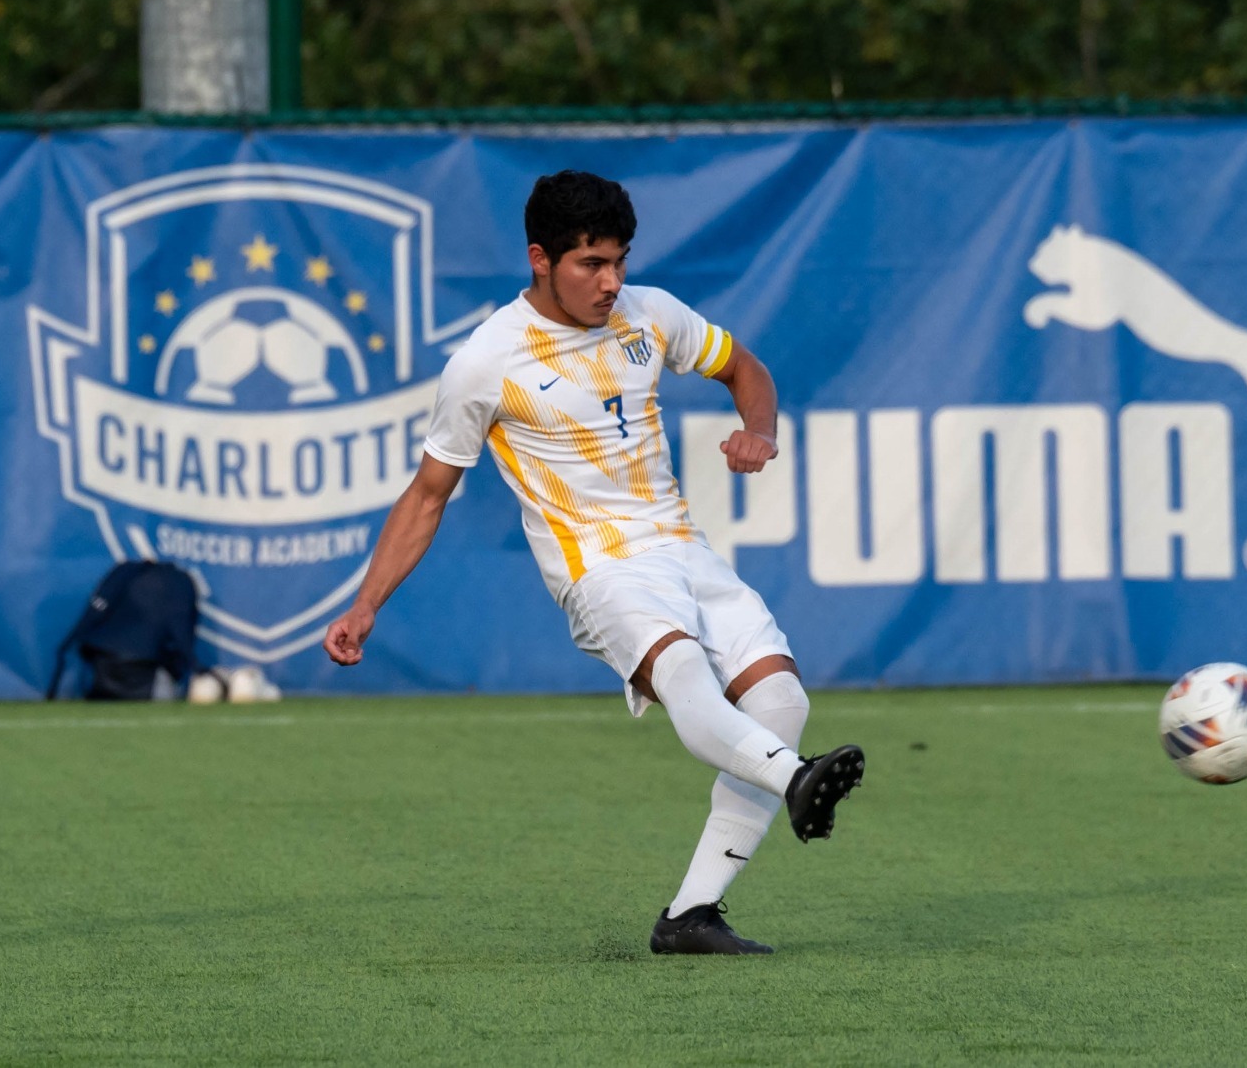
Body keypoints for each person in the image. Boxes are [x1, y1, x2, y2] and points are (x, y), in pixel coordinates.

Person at [323, 170, 864, 955]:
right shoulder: (486, 361)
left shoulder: (651, 313)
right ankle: (795, 780)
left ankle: (690, 916)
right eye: (591, 263)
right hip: (599, 568)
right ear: (540, 259)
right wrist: (366, 603)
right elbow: (428, 493)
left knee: (781, 701)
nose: (611, 281)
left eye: (619, 260)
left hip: (682, 547)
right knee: (685, 674)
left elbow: (746, 369)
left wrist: (761, 430)